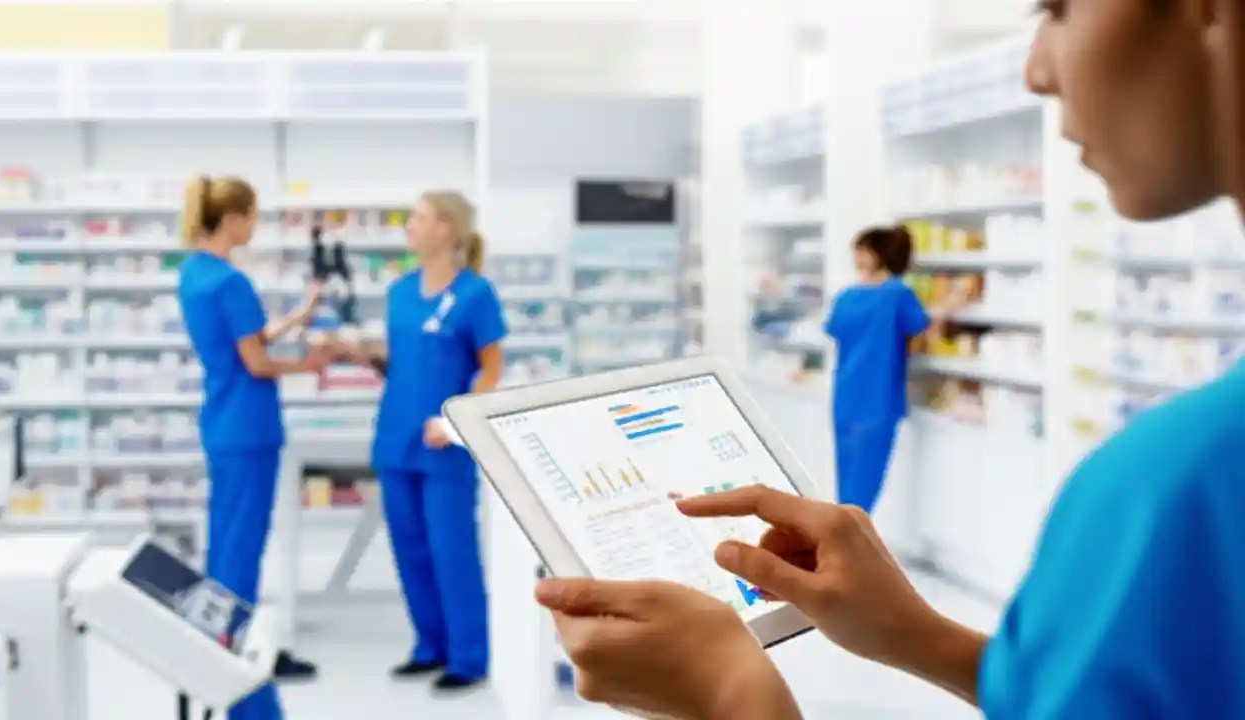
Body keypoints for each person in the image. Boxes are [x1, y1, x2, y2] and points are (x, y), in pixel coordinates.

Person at [533, 1, 1245, 718]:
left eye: (1057, 8)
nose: (1035, 70)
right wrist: (916, 635)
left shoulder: (1172, 492)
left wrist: (730, 693)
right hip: (867, 400)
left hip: (861, 399)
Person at [339, 190, 506, 692]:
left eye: (419, 219)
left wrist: (456, 422)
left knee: (451, 549)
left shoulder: (475, 294)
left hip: (443, 446)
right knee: (410, 548)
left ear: (448, 229)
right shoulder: (400, 291)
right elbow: (404, 363)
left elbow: (491, 369)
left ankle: (468, 657)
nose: (409, 227)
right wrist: (358, 353)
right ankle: (428, 645)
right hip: (395, 438)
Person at [178, 175, 330, 720]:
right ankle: (242, 691)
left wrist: (299, 313)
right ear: (235, 217)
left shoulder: (195, 274)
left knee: (225, 549)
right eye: (252, 215)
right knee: (241, 556)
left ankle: (224, 660)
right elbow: (258, 362)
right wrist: (309, 363)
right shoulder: (231, 281)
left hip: (223, 424)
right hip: (250, 430)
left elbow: (250, 339)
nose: (255, 224)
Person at [823, 226, 967, 511]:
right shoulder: (897, 294)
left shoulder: (846, 297)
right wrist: (955, 301)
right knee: (865, 484)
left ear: (878, 254)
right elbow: (921, 329)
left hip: (845, 398)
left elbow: (835, 332)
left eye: (861, 249)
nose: (857, 256)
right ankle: (851, 542)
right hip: (877, 401)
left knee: (847, 478)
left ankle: (843, 535)